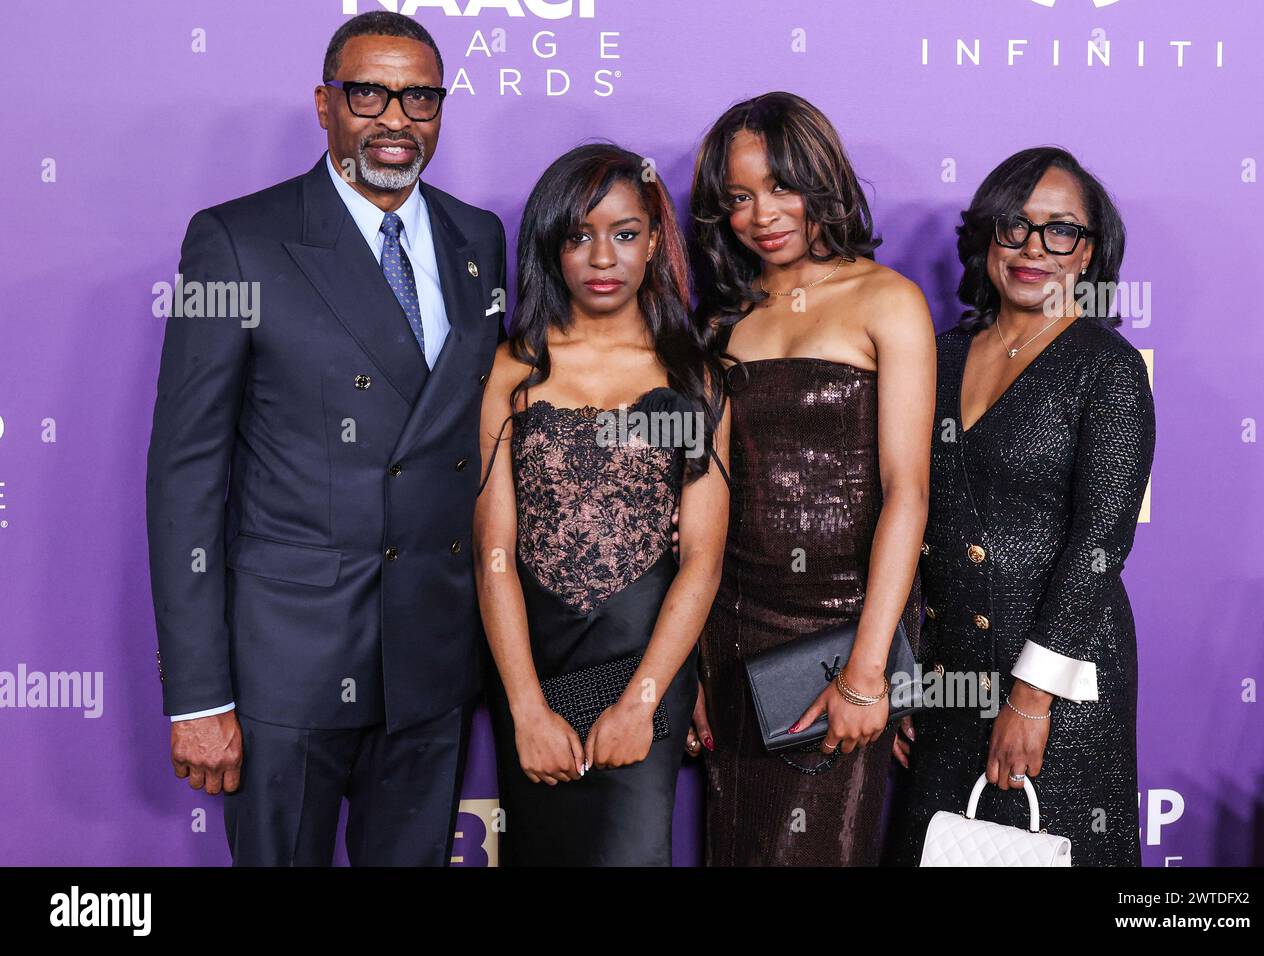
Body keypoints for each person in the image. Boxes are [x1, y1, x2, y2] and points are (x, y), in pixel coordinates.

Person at [146, 11, 507, 865]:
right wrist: (198, 695)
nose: (395, 118)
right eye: (369, 93)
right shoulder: (235, 241)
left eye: (419, 96)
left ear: (441, 108)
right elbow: (185, 473)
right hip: (289, 666)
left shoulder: (479, 239)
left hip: (430, 659)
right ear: (325, 104)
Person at [887, 147, 1156, 866]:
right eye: (1015, 225)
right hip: (948, 681)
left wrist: (1032, 698)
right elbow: (907, 515)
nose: (1034, 248)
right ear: (987, 238)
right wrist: (902, 677)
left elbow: (1101, 542)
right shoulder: (935, 356)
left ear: (1091, 251)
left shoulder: (1107, 366)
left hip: (1059, 688)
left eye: (1060, 230)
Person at [687, 91, 936, 866]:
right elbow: (709, 506)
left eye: (781, 186)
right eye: (738, 197)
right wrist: (689, 666)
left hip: (841, 638)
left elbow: (908, 493)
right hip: (733, 633)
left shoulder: (887, 300)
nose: (761, 213)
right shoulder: (726, 321)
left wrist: (868, 669)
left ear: (821, 180)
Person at [474, 143, 731, 866]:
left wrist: (643, 701)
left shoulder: (693, 377)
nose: (602, 256)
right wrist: (525, 708)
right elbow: (494, 557)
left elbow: (702, 564)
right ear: (551, 247)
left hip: (644, 667)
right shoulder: (513, 371)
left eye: (624, 233)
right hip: (533, 667)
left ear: (654, 242)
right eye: (578, 236)